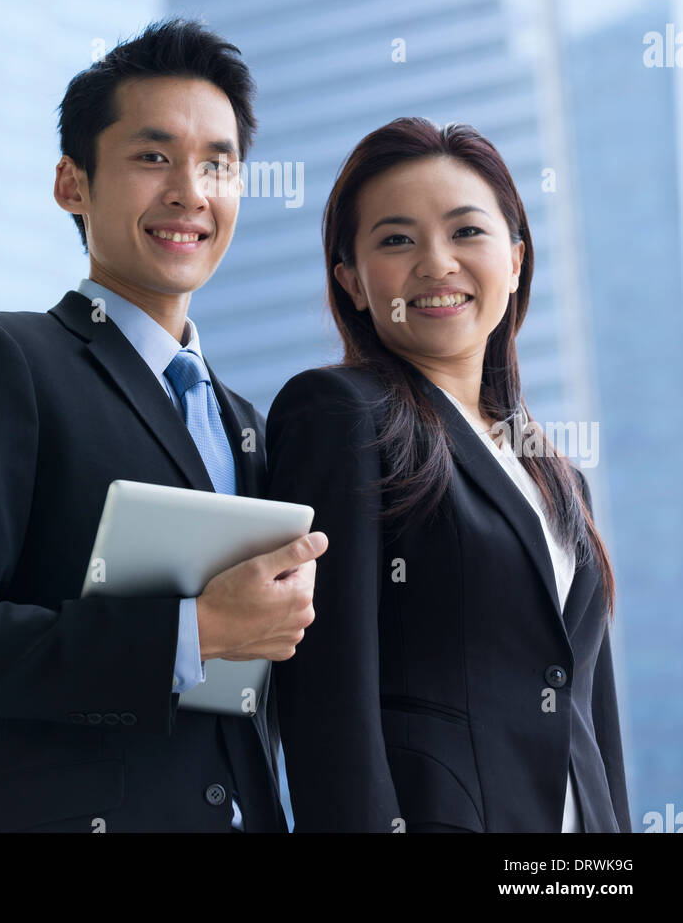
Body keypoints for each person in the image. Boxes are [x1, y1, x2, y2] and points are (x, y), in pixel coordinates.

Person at [0, 17, 326, 833]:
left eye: (218, 164)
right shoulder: (0, 360)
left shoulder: (250, 427)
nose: (191, 191)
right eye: (154, 157)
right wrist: (195, 630)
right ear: (72, 184)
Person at [266, 116, 631, 833]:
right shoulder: (340, 413)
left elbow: (592, 719)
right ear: (354, 282)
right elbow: (327, 701)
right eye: (397, 240)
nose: (437, 263)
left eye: (467, 232)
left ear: (518, 260)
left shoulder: (557, 476)